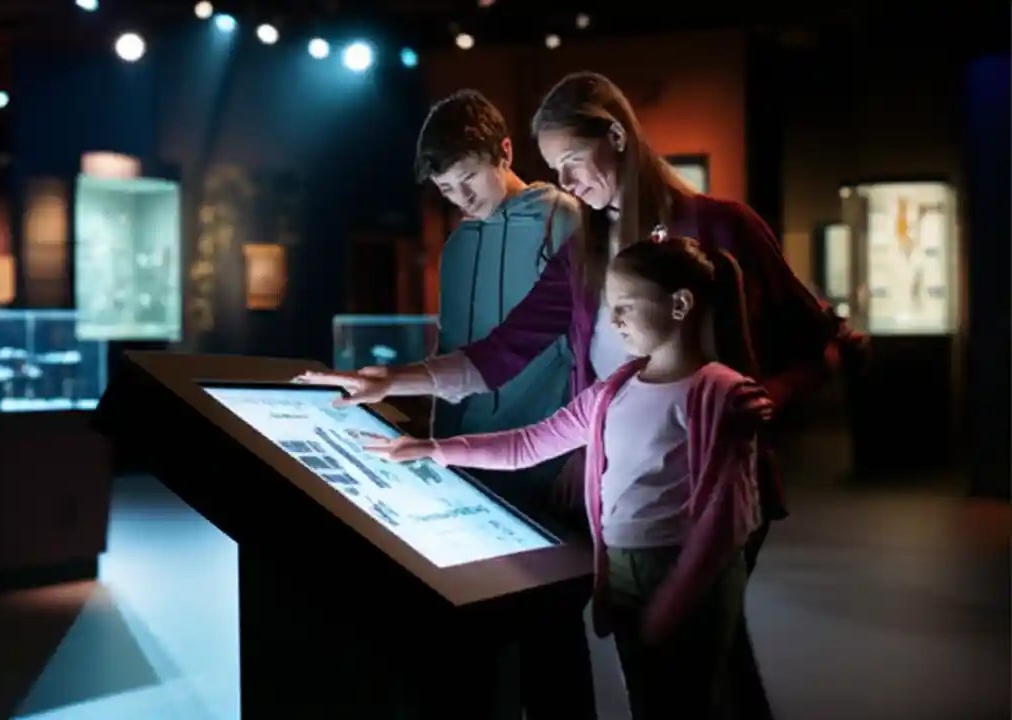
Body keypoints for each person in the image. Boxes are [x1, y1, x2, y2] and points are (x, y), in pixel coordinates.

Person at [300, 71, 863, 718]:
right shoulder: (585, 247)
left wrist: (758, 401)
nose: (566, 182)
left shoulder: (723, 226)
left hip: (715, 489)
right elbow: (502, 353)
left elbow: (822, 342)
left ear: (616, 134)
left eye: (571, 160)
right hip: (623, 493)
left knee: (708, 664)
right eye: (555, 167)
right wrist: (392, 381)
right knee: (672, 673)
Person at [366, 235, 772, 719]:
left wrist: (676, 597)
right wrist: (433, 450)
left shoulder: (719, 393)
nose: (614, 320)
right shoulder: (611, 392)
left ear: (680, 304)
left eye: (627, 305)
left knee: (692, 701)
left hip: (688, 571)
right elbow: (529, 444)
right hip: (622, 567)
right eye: (609, 306)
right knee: (646, 699)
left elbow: (725, 515)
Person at [412, 89, 595, 719]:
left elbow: (589, 350)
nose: (462, 201)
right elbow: (453, 351)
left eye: (468, 180)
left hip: (551, 467)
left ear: (505, 153)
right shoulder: (458, 247)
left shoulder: (564, 217)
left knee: (553, 645)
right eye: (446, 191)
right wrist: (437, 461)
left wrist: (584, 453)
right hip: (477, 472)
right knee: (482, 643)